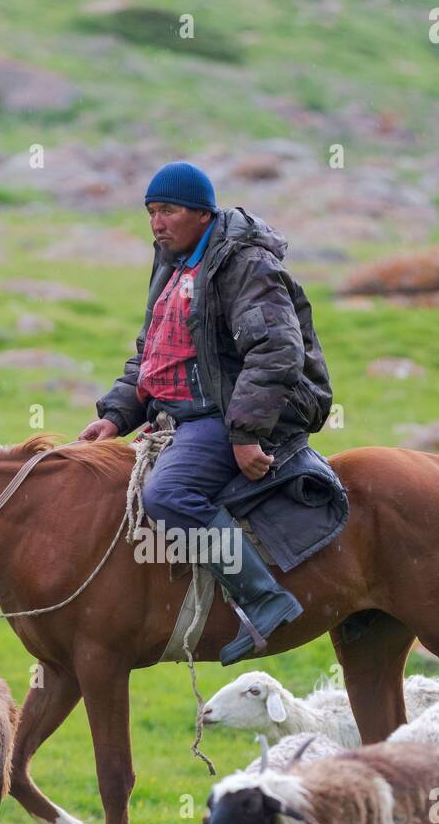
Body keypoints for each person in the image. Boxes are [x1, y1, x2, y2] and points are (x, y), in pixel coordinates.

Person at [79, 161, 332, 665]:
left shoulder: (243, 263)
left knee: (169, 494)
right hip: (189, 411)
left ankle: (264, 600)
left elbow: (276, 350)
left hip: (240, 411)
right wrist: (116, 415)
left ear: (202, 213)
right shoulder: (172, 263)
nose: (157, 222)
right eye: (151, 212)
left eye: (167, 210)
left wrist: (244, 434)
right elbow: (153, 355)